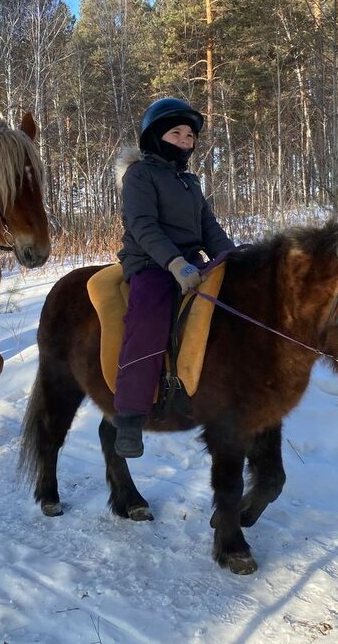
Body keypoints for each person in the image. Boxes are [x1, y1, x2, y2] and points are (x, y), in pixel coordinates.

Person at [112, 97, 236, 458]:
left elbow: (208, 227)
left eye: (189, 135)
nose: (185, 140)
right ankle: (131, 414)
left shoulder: (190, 181)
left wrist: (232, 257)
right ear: (155, 137)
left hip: (191, 263)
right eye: (176, 133)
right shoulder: (140, 175)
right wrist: (174, 263)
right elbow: (143, 226)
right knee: (148, 317)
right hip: (151, 265)